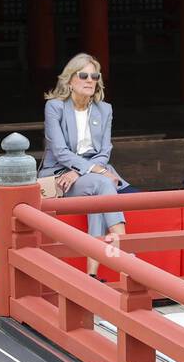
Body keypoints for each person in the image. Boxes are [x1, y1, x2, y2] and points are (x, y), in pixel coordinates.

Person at [40, 53, 129, 279]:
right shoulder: (55, 107)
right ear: (70, 80)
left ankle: (91, 274)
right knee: (103, 183)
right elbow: (60, 151)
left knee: (99, 191)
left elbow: (104, 152)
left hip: (87, 174)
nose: (90, 80)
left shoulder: (104, 109)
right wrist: (91, 170)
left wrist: (80, 170)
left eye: (94, 75)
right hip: (60, 176)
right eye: (84, 75)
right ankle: (128, 256)